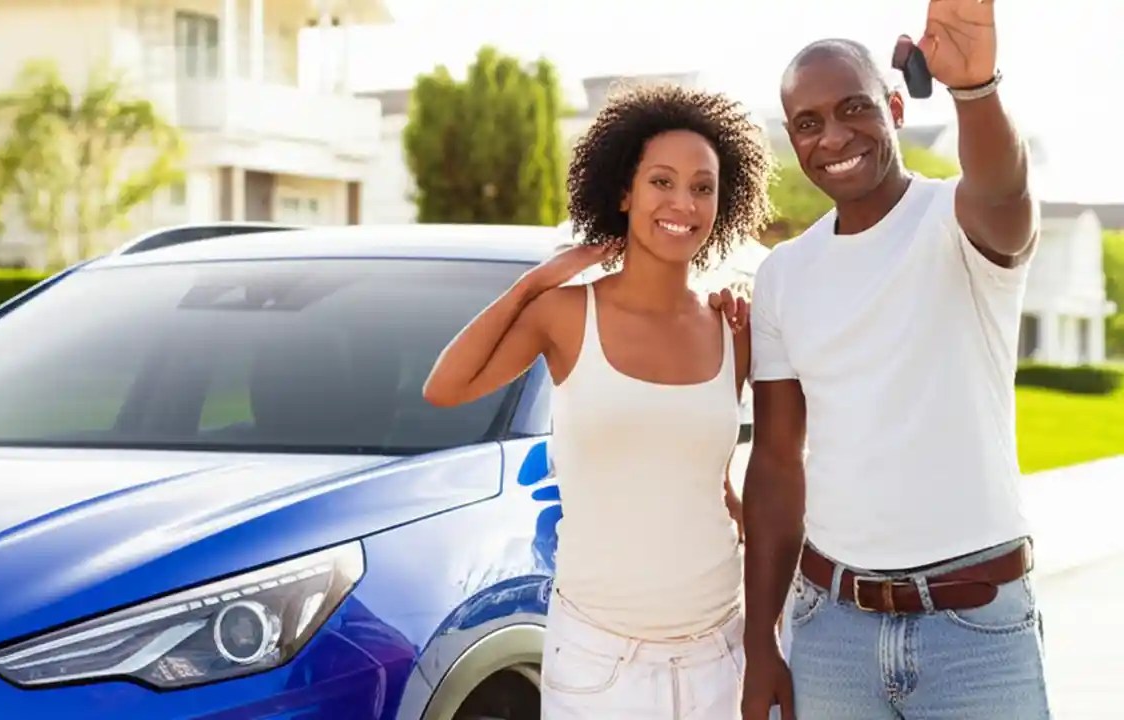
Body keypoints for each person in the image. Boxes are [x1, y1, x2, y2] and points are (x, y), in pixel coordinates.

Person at [422, 82, 773, 718]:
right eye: (661, 181)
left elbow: (710, 480)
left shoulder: (732, 330)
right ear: (623, 192)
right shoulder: (564, 315)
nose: (682, 203)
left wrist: (767, 622)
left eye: (702, 187)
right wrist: (534, 283)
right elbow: (446, 387)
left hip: (719, 649)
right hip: (600, 660)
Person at [739, 3, 1048, 719]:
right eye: (808, 123)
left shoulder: (959, 221)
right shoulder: (786, 272)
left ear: (897, 108)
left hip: (976, 633)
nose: (833, 137)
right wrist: (762, 642)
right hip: (831, 631)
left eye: (854, 108)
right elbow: (778, 464)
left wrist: (976, 91)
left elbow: (1005, 191)